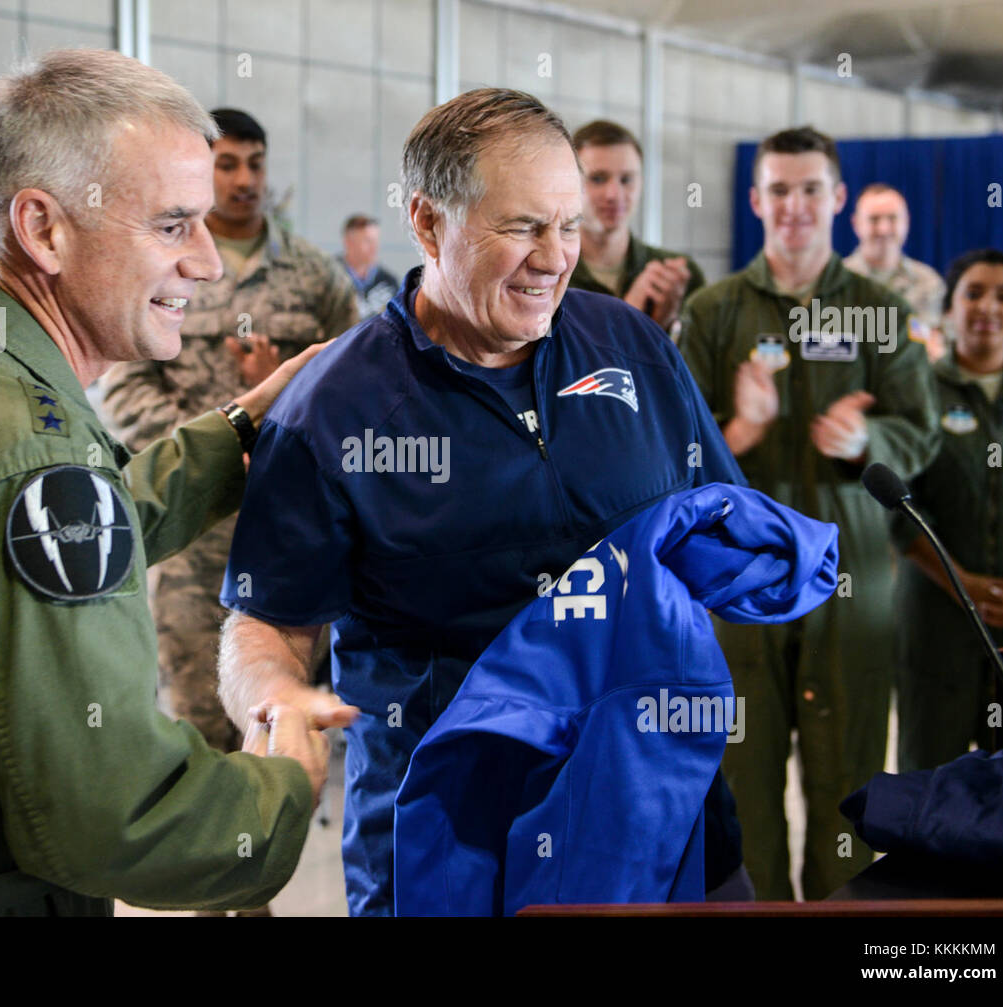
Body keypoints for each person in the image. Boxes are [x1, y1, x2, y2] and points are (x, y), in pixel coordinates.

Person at [0, 49, 329, 918]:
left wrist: (238, 432)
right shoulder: (23, 449)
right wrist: (279, 787)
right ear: (45, 228)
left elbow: (64, 525)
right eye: (171, 225)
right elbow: (111, 814)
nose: (205, 264)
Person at [216, 88, 753, 916]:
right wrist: (273, 695)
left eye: (568, 225)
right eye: (523, 227)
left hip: (663, 827)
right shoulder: (335, 408)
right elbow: (266, 620)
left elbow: (717, 523)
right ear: (428, 223)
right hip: (457, 852)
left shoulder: (634, 348)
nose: (556, 257)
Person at [678, 126, 942, 901]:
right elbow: (675, 459)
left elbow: (920, 432)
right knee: (743, 780)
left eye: (811, 189)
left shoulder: (882, 312)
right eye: (780, 190)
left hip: (849, 573)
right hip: (736, 581)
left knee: (849, 780)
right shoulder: (713, 311)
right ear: (757, 200)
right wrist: (741, 432)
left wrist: (870, 438)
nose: (795, 206)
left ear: (838, 198)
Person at [99, 108, 357, 756]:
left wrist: (286, 394)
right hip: (188, 529)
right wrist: (218, 444)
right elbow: (124, 386)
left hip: (287, 529)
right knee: (193, 727)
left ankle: (261, 853)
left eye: (256, 163)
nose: (245, 179)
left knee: (279, 720)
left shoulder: (316, 274)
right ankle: (198, 855)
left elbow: (353, 382)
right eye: (228, 163)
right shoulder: (165, 264)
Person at [894, 249, 1003, 771]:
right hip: (937, 626)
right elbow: (898, 505)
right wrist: (963, 585)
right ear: (949, 310)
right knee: (928, 791)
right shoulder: (915, 391)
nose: (988, 307)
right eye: (973, 293)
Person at [567, 120, 705, 334]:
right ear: (569, 184)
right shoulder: (551, 276)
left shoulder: (679, 279)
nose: (614, 194)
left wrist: (668, 324)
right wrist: (630, 314)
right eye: (598, 179)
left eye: (626, 179)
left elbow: (694, 365)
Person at [844, 184, 947, 362]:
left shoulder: (928, 282)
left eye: (892, 218)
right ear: (856, 223)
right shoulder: (837, 279)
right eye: (874, 219)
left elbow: (934, 346)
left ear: (906, 221)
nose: (884, 229)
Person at [339, 214, 399, 320]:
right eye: (367, 241)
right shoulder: (329, 276)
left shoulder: (388, 282)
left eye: (376, 241)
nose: (374, 247)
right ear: (348, 242)